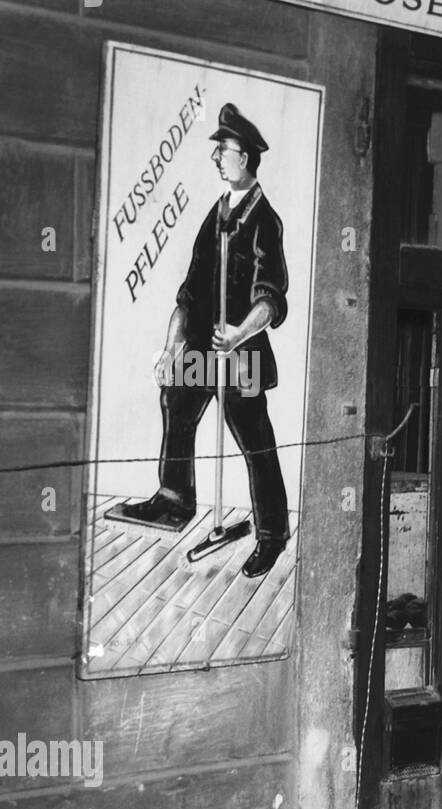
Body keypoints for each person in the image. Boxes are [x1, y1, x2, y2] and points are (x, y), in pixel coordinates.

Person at [117, 103, 290, 579]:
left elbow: (271, 300)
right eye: (216, 149)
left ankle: (273, 533)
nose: (217, 157)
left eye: (224, 150)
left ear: (247, 158)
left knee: (253, 436)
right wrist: (173, 345)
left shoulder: (264, 221)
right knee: (176, 397)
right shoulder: (215, 216)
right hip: (201, 347)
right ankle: (175, 498)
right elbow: (189, 292)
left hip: (241, 351)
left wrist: (237, 333)